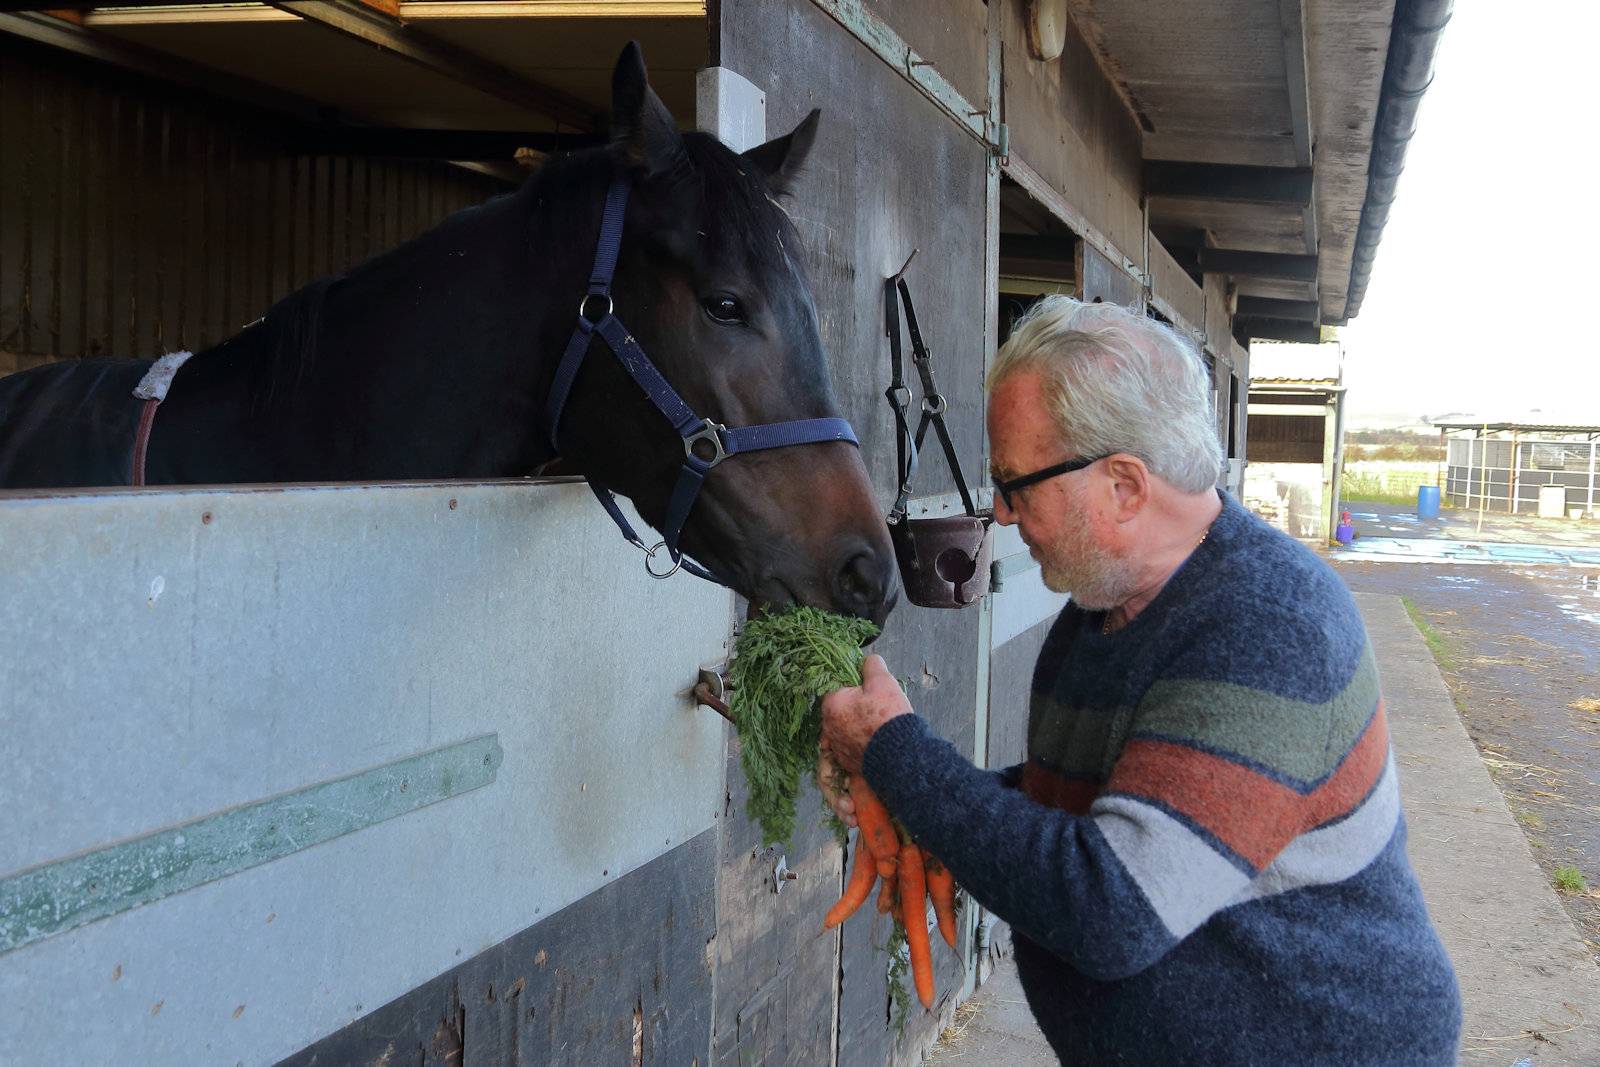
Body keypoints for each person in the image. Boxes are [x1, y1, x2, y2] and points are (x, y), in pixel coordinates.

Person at [820, 295, 1461, 1064]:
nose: (1000, 510)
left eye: (1015, 482)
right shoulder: (1101, 610)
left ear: (1124, 485)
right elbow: (1114, 796)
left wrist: (897, 753)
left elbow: (1113, 907)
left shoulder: (1268, 627)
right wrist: (916, 797)